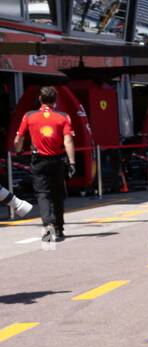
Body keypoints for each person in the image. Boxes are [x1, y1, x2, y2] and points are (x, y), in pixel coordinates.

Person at [13, 86, 75, 243]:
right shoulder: (63, 116)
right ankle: (59, 228)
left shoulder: (29, 116)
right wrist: (72, 161)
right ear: (55, 100)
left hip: (38, 161)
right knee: (58, 195)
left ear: (40, 99)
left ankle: (49, 226)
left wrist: (19, 151)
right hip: (57, 160)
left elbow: (18, 139)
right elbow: (68, 140)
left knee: (43, 194)